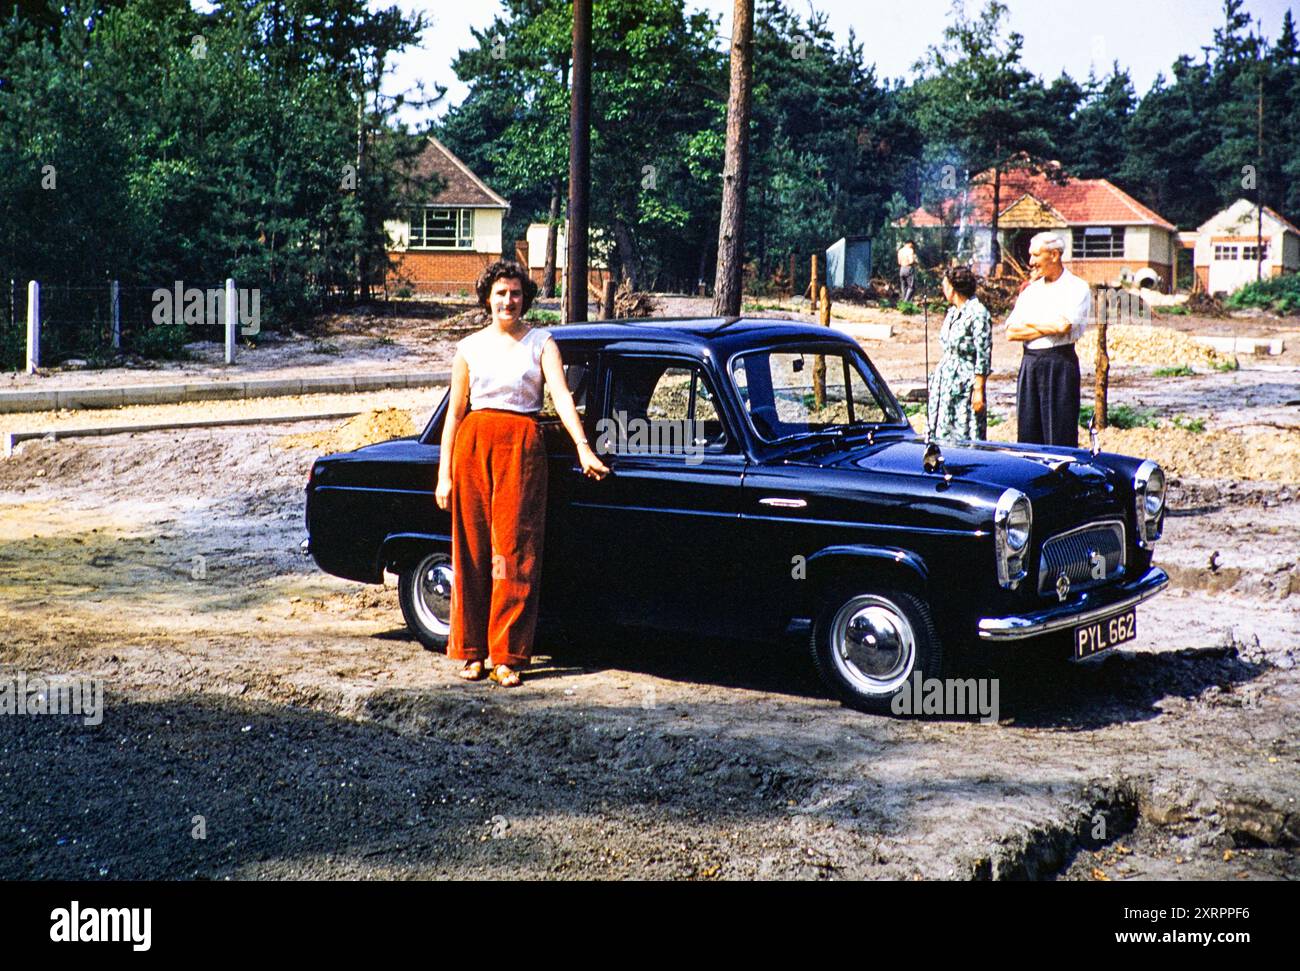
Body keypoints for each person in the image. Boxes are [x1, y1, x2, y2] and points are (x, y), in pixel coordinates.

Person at [435, 260, 608, 687]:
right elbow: (455, 415)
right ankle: (471, 651)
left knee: (512, 552)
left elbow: (563, 398)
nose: (507, 301)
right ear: (486, 299)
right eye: (500, 294)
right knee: (473, 552)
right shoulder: (469, 347)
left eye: (515, 293)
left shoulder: (541, 342)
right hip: (472, 446)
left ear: (525, 298)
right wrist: (444, 474)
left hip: (522, 445)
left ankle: (507, 655)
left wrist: (583, 447)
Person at [1005, 232, 1091, 447]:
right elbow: (1012, 332)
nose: (1031, 262)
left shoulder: (1076, 288)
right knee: (1028, 431)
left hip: (1059, 363)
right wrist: (1048, 326)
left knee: (1059, 430)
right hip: (1030, 363)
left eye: (1036, 255)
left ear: (1054, 255)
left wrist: (1032, 324)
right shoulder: (1031, 291)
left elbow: (1063, 327)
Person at [928, 265, 992, 442]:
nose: (943, 290)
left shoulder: (978, 313)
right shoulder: (953, 312)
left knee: (963, 427)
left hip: (965, 381)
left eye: (945, 285)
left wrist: (979, 389)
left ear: (953, 287)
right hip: (947, 378)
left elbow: (983, 354)